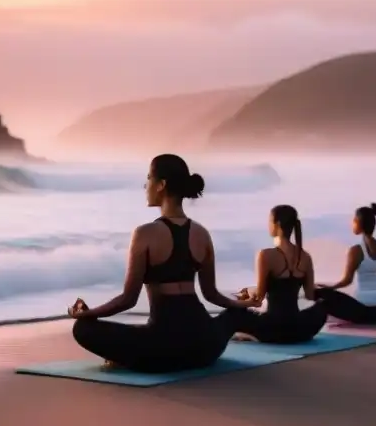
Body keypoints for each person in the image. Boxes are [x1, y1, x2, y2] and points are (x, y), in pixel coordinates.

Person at [68, 154, 249, 373]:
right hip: (205, 346)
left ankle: (128, 357)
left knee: (83, 329)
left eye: (149, 179)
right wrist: (243, 305)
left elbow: (127, 300)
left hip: (163, 349)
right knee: (234, 315)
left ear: (161, 185)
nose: (146, 186)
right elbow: (212, 295)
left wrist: (87, 314)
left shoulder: (144, 234)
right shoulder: (202, 234)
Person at [225, 205, 328, 344]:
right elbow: (310, 294)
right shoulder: (305, 257)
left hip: (273, 329)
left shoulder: (265, 255)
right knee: (322, 307)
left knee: (233, 314)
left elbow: (258, 298)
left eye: (270, 220)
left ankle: (248, 335)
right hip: (299, 328)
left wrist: (248, 290)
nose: (268, 225)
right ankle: (249, 335)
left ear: (277, 224)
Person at [315, 203, 376, 325]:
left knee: (319, 294)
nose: (352, 223)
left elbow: (347, 281)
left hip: (365, 311)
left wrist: (328, 288)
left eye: (353, 220)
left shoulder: (356, 250)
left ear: (358, 222)